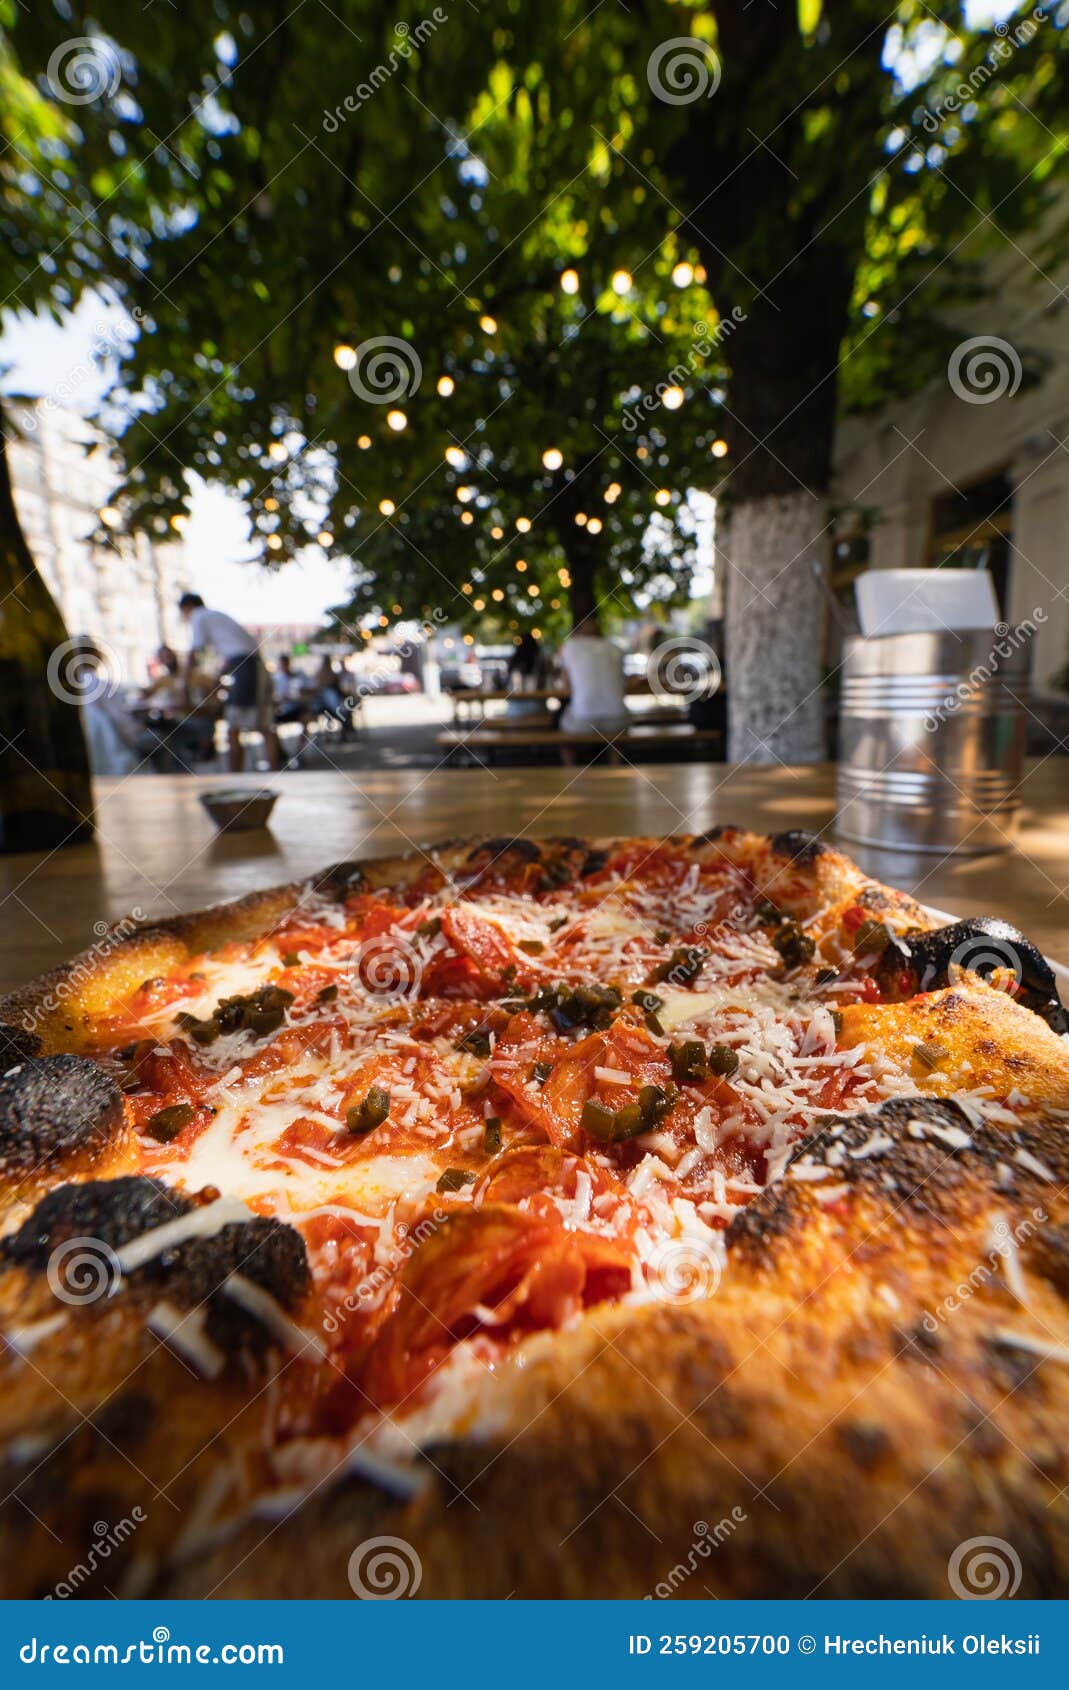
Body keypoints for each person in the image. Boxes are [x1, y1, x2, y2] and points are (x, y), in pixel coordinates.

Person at [178, 593, 279, 772]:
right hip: (250, 666)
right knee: (260, 724)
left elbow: (193, 653)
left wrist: (183, 684)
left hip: (246, 668)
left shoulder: (199, 616)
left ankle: (235, 777)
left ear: (187, 607)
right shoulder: (215, 617)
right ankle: (272, 772)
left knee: (235, 727)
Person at [558, 612, 628, 736]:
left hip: (583, 719)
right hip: (617, 718)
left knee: (562, 733)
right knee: (617, 741)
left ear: (577, 631)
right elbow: (623, 683)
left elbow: (566, 688)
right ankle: (614, 755)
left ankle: (570, 754)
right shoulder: (616, 648)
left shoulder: (570, 647)